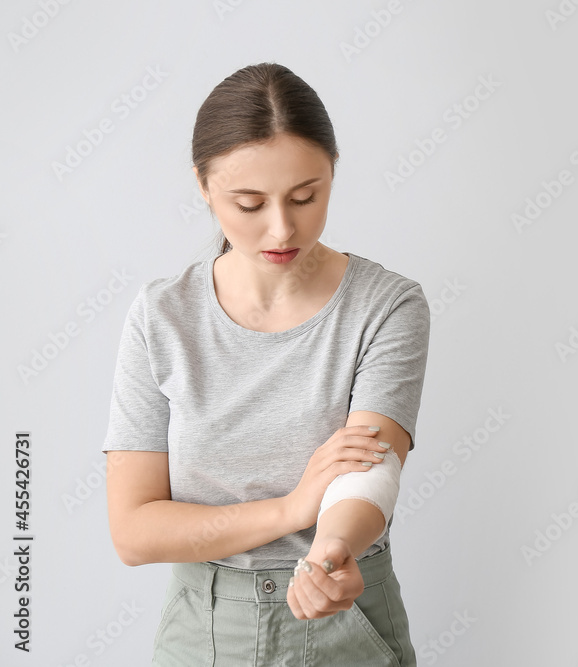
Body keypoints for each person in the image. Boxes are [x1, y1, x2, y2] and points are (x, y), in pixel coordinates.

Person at [102, 62, 429, 666]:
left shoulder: (387, 305)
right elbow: (134, 530)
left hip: (345, 620)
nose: (283, 227)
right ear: (203, 185)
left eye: (306, 196)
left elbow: (367, 470)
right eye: (249, 203)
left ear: (332, 172)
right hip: (203, 630)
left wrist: (330, 551)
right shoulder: (160, 317)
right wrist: (292, 509)